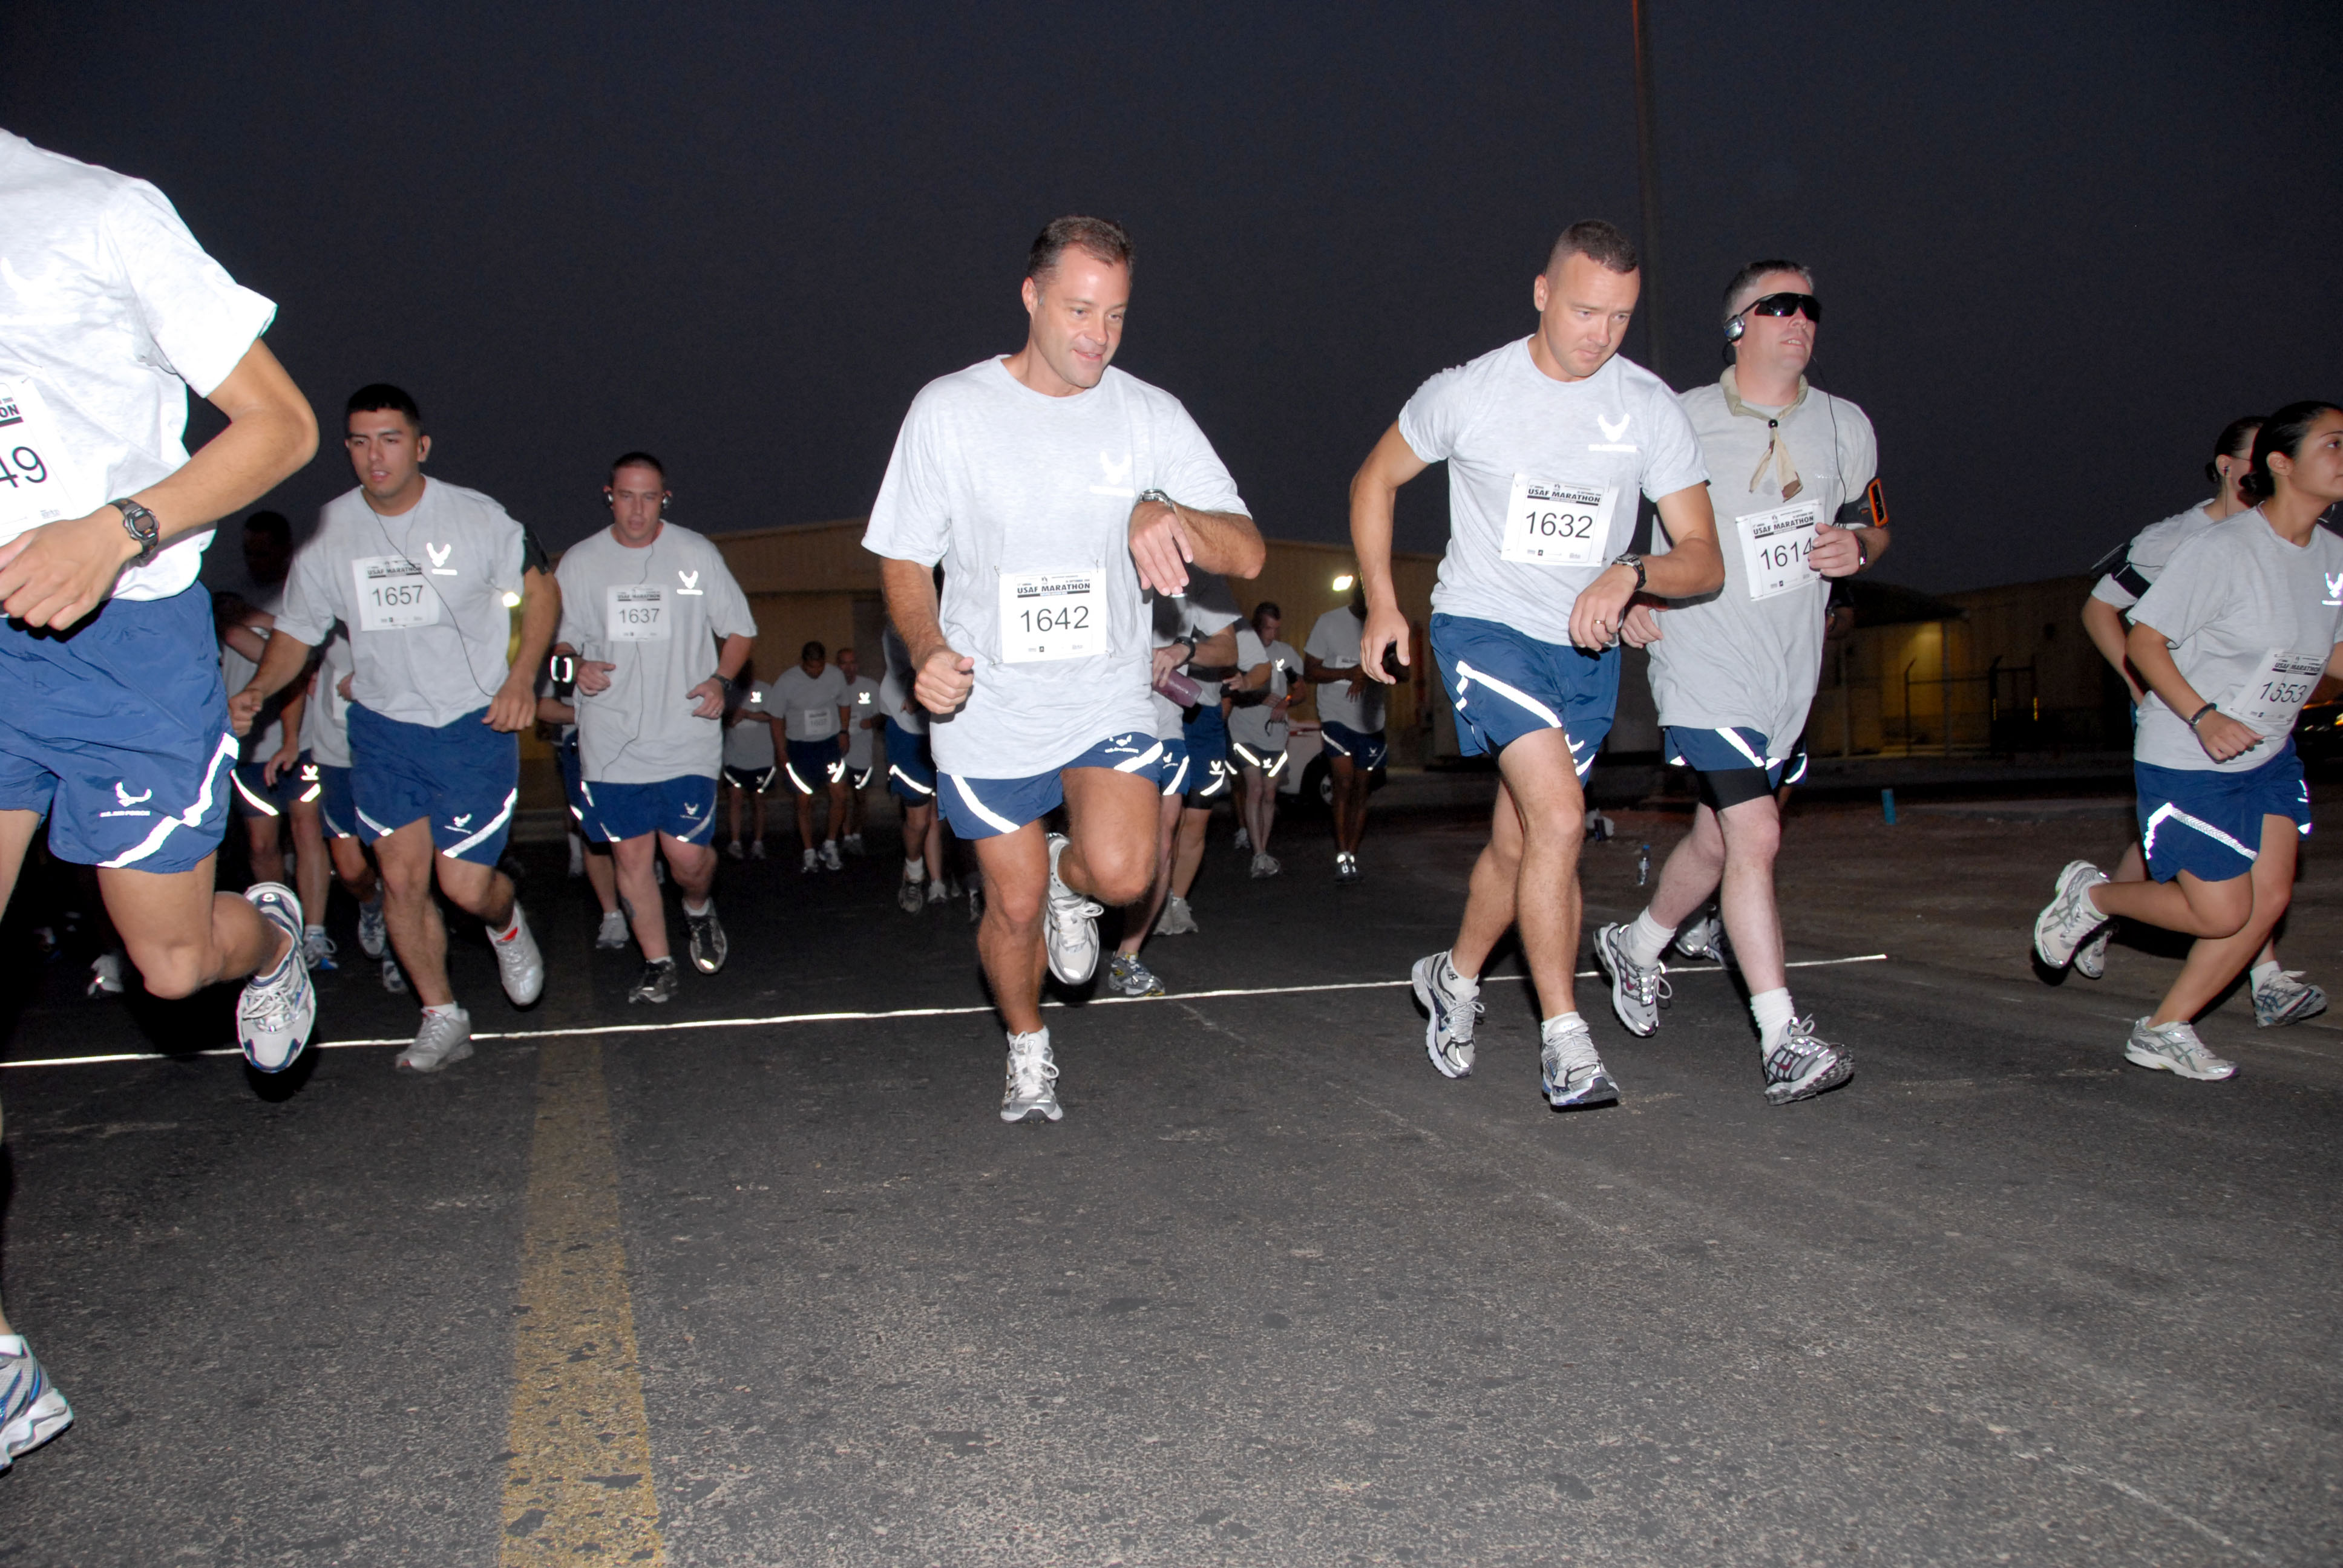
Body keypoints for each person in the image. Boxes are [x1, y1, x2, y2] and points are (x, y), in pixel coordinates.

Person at [0, 127, 324, 1472]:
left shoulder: (91, 210)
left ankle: (272, 932)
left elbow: (282, 428)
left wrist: (115, 529)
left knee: (173, 961)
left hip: (117, 637)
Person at [865, 214, 1263, 1123]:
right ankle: (1028, 1044)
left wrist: (1161, 508)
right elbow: (900, 556)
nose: (1099, 335)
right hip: (988, 705)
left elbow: (1243, 550)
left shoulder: (1149, 416)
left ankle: (1072, 890)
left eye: (1117, 315)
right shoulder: (951, 410)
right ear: (1032, 296)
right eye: (1080, 309)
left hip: (1102, 694)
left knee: (1126, 876)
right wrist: (925, 646)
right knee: (1013, 908)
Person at [1351, 219, 1719, 1109]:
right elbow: (1375, 479)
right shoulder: (1470, 391)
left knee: (1522, 843)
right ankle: (1566, 1037)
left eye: (1622, 317)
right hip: (1484, 629)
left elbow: (1703, 559)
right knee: (1559, 818)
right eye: (1587, 309)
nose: (1602, 333)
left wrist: (1634, 575)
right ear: (1543, 292)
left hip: (1583, 654)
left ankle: (1456, 975)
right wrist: (1386, 602)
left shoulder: (1647, 407)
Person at [1596, 260, 1884, 1105]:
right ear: (1739, 327)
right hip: (1702, 653)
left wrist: (1860, 549)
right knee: (1756, 836)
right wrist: (1629, 588)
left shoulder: (1846, 425)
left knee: (1722, 841)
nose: (1802, 320)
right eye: (1780, 306)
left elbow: (1876, 522)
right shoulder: (1678, 417)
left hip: (1789, 670)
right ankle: (1782, 1037)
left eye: (1811, 308)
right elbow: (1610, 507)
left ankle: (1637, 945)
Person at [232, 383, 554, 1073]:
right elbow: (296, 631)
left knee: (465, 886)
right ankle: (442, 1015)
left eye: (390, 439)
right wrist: (261, 687)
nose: (374, 456)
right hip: (381, 730)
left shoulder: (474, 516)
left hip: (472, 723)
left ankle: (505, 921)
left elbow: (540, 588)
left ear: (420, 445)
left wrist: (521, 677)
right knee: (402, 882)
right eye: (359, 441)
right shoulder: (330, 533)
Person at [2035, 402, 2343, 1080]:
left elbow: (2333, 654)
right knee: (2220, 910)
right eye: (2334, 443)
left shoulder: (2331, 557)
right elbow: (2143, 642)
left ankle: (2164, 1028)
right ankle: (2092, 898)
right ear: (2280, 463)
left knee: (2267, 900)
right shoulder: (2220, 549)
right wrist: (2202, 716)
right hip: (2188, 753)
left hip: (2267, 755)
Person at [554, 452, 755, 1004]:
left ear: (664, 499)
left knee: (688, 858)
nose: (637, 509)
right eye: (626, 496)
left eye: (650, 498)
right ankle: (658, 962)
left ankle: (697, 907)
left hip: (685, 732)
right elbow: (558, 644)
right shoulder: (580, 562)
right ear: (609, 496)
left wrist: (720, 679)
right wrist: (576, 666)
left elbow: (739, 630)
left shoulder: (695, 553)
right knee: (632, 857)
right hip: (610, 740)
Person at [1108, 575, 1243, 996]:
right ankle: (1067, 888)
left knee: (1164, 839)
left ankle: (1127, 958)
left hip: (1166, 730)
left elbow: (1228, 650)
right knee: (1109, 846)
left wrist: (1184, 648)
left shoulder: (1198, 579)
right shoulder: (1109, 554)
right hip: (1102, 725)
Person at [287, 626, 404, 987]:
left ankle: (398, 954)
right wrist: (291, 738)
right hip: (336, 752)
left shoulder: (392, 608)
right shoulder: (320, 620)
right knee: (351, 870)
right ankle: (372, 905)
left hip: (391, 747)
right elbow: (290, 669)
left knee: (399, 864)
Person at [1151, 604, 1253, 935]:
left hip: (1202, 719)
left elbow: (1259, 664)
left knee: (1196, 820)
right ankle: (1154, 901)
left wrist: (1245, 681)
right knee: (1164, 821)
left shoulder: (1212, 601)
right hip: (1155, 716)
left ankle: (1176, 901)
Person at [218, 512, 306, 889]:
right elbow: (234, 626)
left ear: (286, 551)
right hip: (249, 742)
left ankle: (316, 927)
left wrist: (261, 629)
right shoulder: (229, 594)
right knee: (260, 844)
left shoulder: (303, 597)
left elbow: (300, 659)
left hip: (302, 739)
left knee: (309, 837)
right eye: (249, 552)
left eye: (265, 552)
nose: (256, 561)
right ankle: (282, 917)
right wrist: (290, 639)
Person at [1304, 583, 1389, 881]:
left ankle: (1352, 854)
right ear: (1354, 593)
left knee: (1361, 790)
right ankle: (1342, 855)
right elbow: (1310, 672)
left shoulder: (1384, 623)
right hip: (1335, 715)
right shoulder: (1329, 622)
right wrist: (1348, 672)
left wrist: (1372, 670)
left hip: (1370, 719)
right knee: (1343, 782)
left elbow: (1403, 672)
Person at [536, 672, 626, 949]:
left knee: (634, 830)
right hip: (581, 744)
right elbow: (542, 707)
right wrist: (590, 715)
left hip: (631, 743)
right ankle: (612, 914)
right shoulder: (563, 658)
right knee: (593, 832)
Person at [1227, 601, 1303, 878]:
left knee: (1270, 795)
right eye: (1268, 629)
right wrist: (1258, 696)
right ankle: (1258, 853)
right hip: (1245, 731)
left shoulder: (1285, 655)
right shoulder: (1243, 653)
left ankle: (1264, 848)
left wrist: (1286, 703)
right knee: (1255, 789)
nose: (1272, 635)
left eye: (1276, 629)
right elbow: (1231, 693)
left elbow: (1300, 690)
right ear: (1257, 627)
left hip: (1275, 735)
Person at [880, 624, 949, 912]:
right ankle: (914, 872)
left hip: (945, 730)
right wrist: (917, 697)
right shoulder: (900, 626)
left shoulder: (952, 613)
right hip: (909, 733)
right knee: (919, 819)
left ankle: (937, 882)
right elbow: (907, 672)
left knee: (938, 815)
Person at [773, 639, 851, 872]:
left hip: (828, 744)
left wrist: (844, 731)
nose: (815, 672)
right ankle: (809, 851)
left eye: (819, 668)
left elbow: (845, 704)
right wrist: (781, 751)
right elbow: (776, 719)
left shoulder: (835, 676)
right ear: (803, 663)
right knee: (803, 801)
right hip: (800, 747)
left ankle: (829, 844)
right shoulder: (787, 681)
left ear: (824, 663)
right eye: (810, 669)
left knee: (839, 795)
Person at [721, 669, 778, 860]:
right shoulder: (727, 691)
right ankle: (735, 842)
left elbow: (772, 715)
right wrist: (730, 719)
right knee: (735, 799)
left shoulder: (765, 689)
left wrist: (747, 714)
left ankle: (758, 842)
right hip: (735, 756)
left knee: (758, 800)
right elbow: (720, 718)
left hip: (761, 757)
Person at [836, 644, 883, 854]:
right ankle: (845, 836)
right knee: (842, 796)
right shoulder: (832, 687)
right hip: (838, 754)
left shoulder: (870, 687)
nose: (849, 668)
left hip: (862, 754)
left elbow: (883, 715)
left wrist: (871, 721)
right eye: (844, 663)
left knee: (860, 797)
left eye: (852, 663)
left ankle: (856, 833)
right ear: (837, 666)